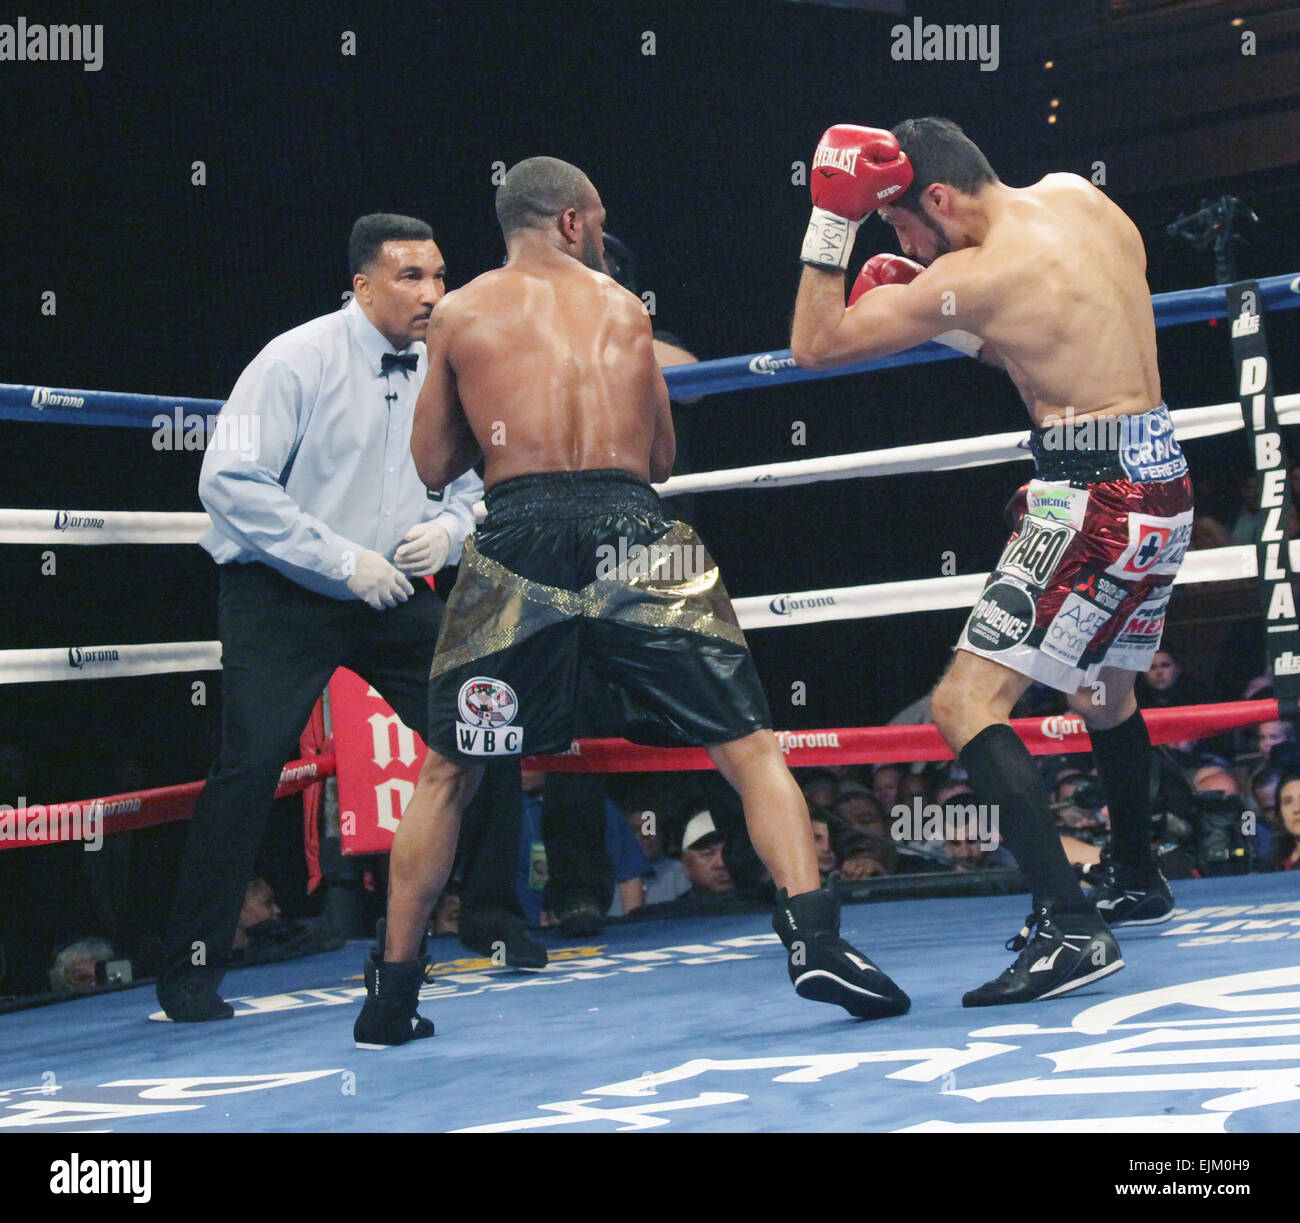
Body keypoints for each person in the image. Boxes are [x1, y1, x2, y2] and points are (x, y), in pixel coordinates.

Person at [352, 156, 909, 1048]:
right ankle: (816, 940)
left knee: (451, 770)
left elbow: (429, 468)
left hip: (518, 542)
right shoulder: (625, 310)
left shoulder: (457, 313)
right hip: (634, 533)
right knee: (748, 745)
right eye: (599, 219)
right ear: (574, 222)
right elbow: (658, 461)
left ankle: (391, 993)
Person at [790, 117, 1195, 1005]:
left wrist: (831, 219)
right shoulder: (1077, 196)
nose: (901, 246)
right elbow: (1077, 312)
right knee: (1103, 692)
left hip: (1091, 490)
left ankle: (1070, 925)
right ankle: (1133, 872)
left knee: (962, 700)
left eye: (901, 225)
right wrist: (959, 324)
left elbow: (812, 345)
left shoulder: (979, 273)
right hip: (1163, 475)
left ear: (938, 198)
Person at [157, 213, 526, 1022]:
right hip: (282, 593)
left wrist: (452, 527)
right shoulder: (294, 360)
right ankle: (191, 968)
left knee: (482, 720)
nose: (433, 293)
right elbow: (230, 481)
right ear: (362, 285)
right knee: (249, 767)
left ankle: (496, 921)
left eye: (438, 275)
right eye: (411, 277)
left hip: (391, 593)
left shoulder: (445, 362)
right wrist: (340, 559)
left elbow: (475, 478)